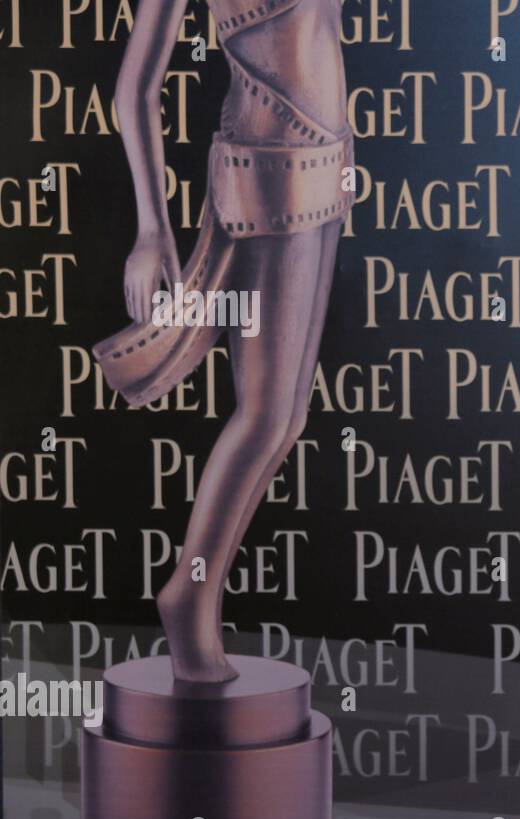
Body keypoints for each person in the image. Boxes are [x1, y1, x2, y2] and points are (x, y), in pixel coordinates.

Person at [93, 0, 354, 682]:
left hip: (327, 163)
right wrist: (152, 230)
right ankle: (190, 593)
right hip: (270, 167)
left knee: (285, 419)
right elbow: (135, 86)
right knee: (265, 414)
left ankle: (197, 589)